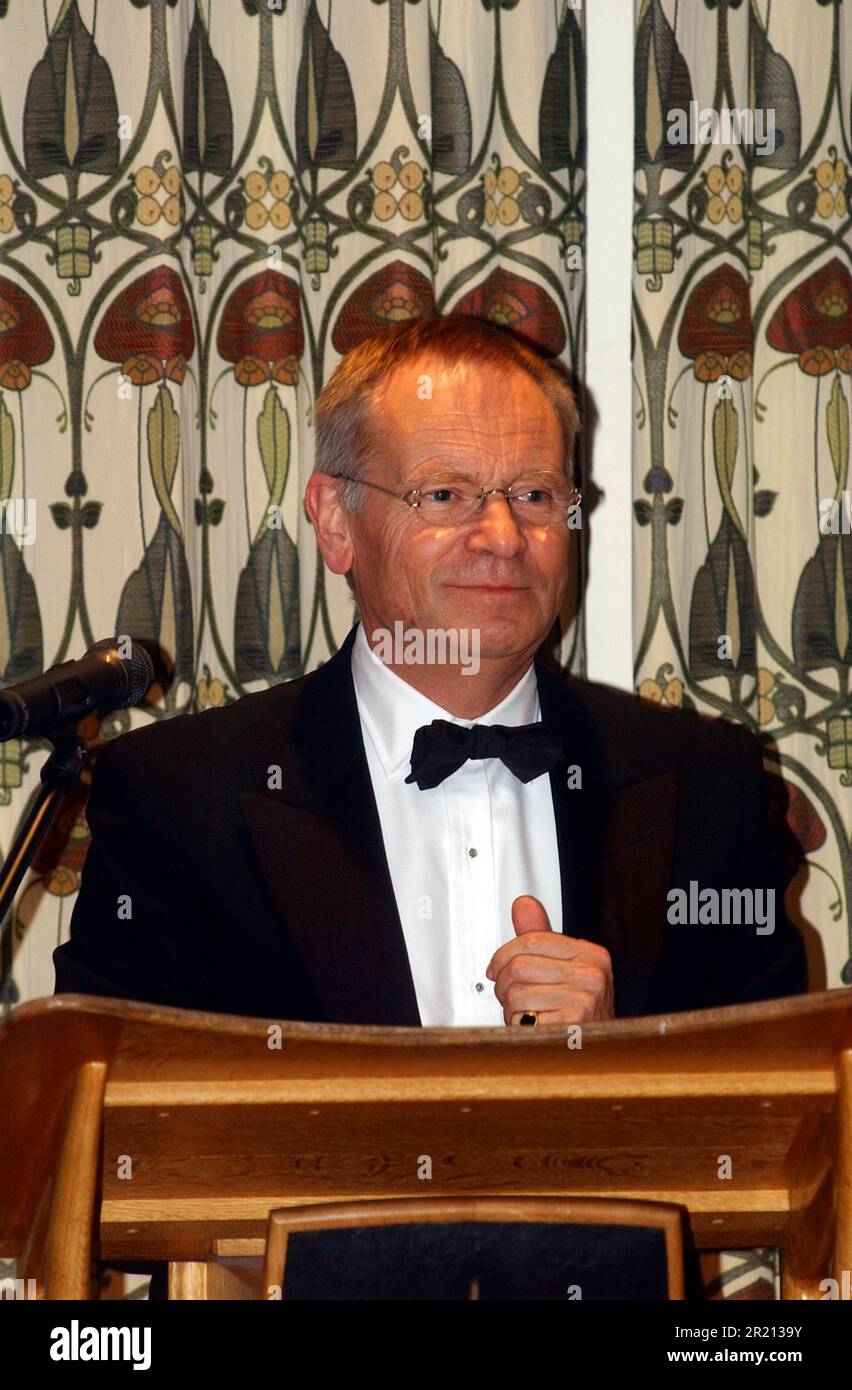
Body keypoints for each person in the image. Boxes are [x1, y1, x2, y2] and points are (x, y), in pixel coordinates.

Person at [53, 314, 807, 1026]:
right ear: (336, 522)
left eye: (537, 494)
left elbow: (784, 1122)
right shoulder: (177, 800)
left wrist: (618, 1068)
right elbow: (109, 1120)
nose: (505, 536)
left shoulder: (713, 788)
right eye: (445, 494)